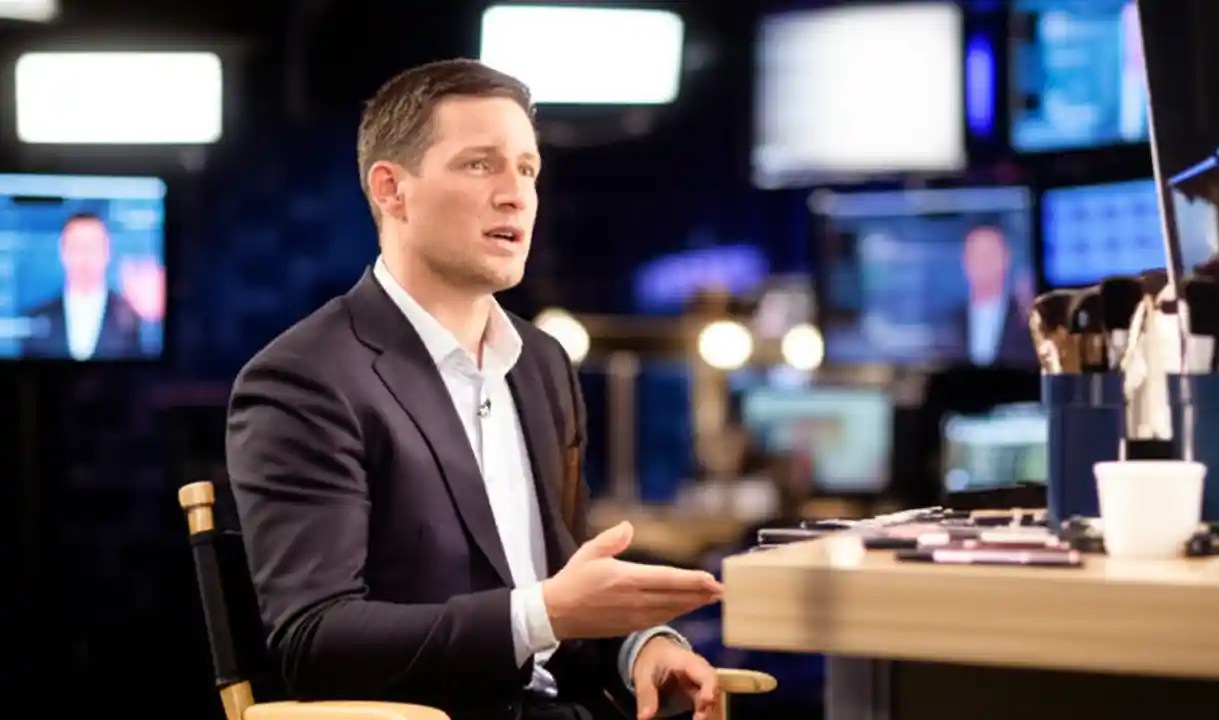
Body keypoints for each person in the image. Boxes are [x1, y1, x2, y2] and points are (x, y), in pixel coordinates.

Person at [225, 59, 725, 720]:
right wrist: (544, 611)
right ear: (391, 190)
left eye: (527, 169)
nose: (516, 194)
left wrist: (639, 649)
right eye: (480, 164)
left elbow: (561, 595)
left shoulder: (541, 362)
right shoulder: (302, 381)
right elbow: (316, 640)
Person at [21, 211, 143, 360]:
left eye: (92, 247)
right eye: (77, 247)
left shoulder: (131, 318)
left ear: (107, 252)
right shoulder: (37, 318)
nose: (85, 257)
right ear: (63, 252)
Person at [950, 223, 1036, 367]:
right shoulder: (952, 324)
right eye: (976, 254)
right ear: (965, 261)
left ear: (1006, 258)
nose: (983, 262)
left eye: (990, 254)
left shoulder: (1025, 319)